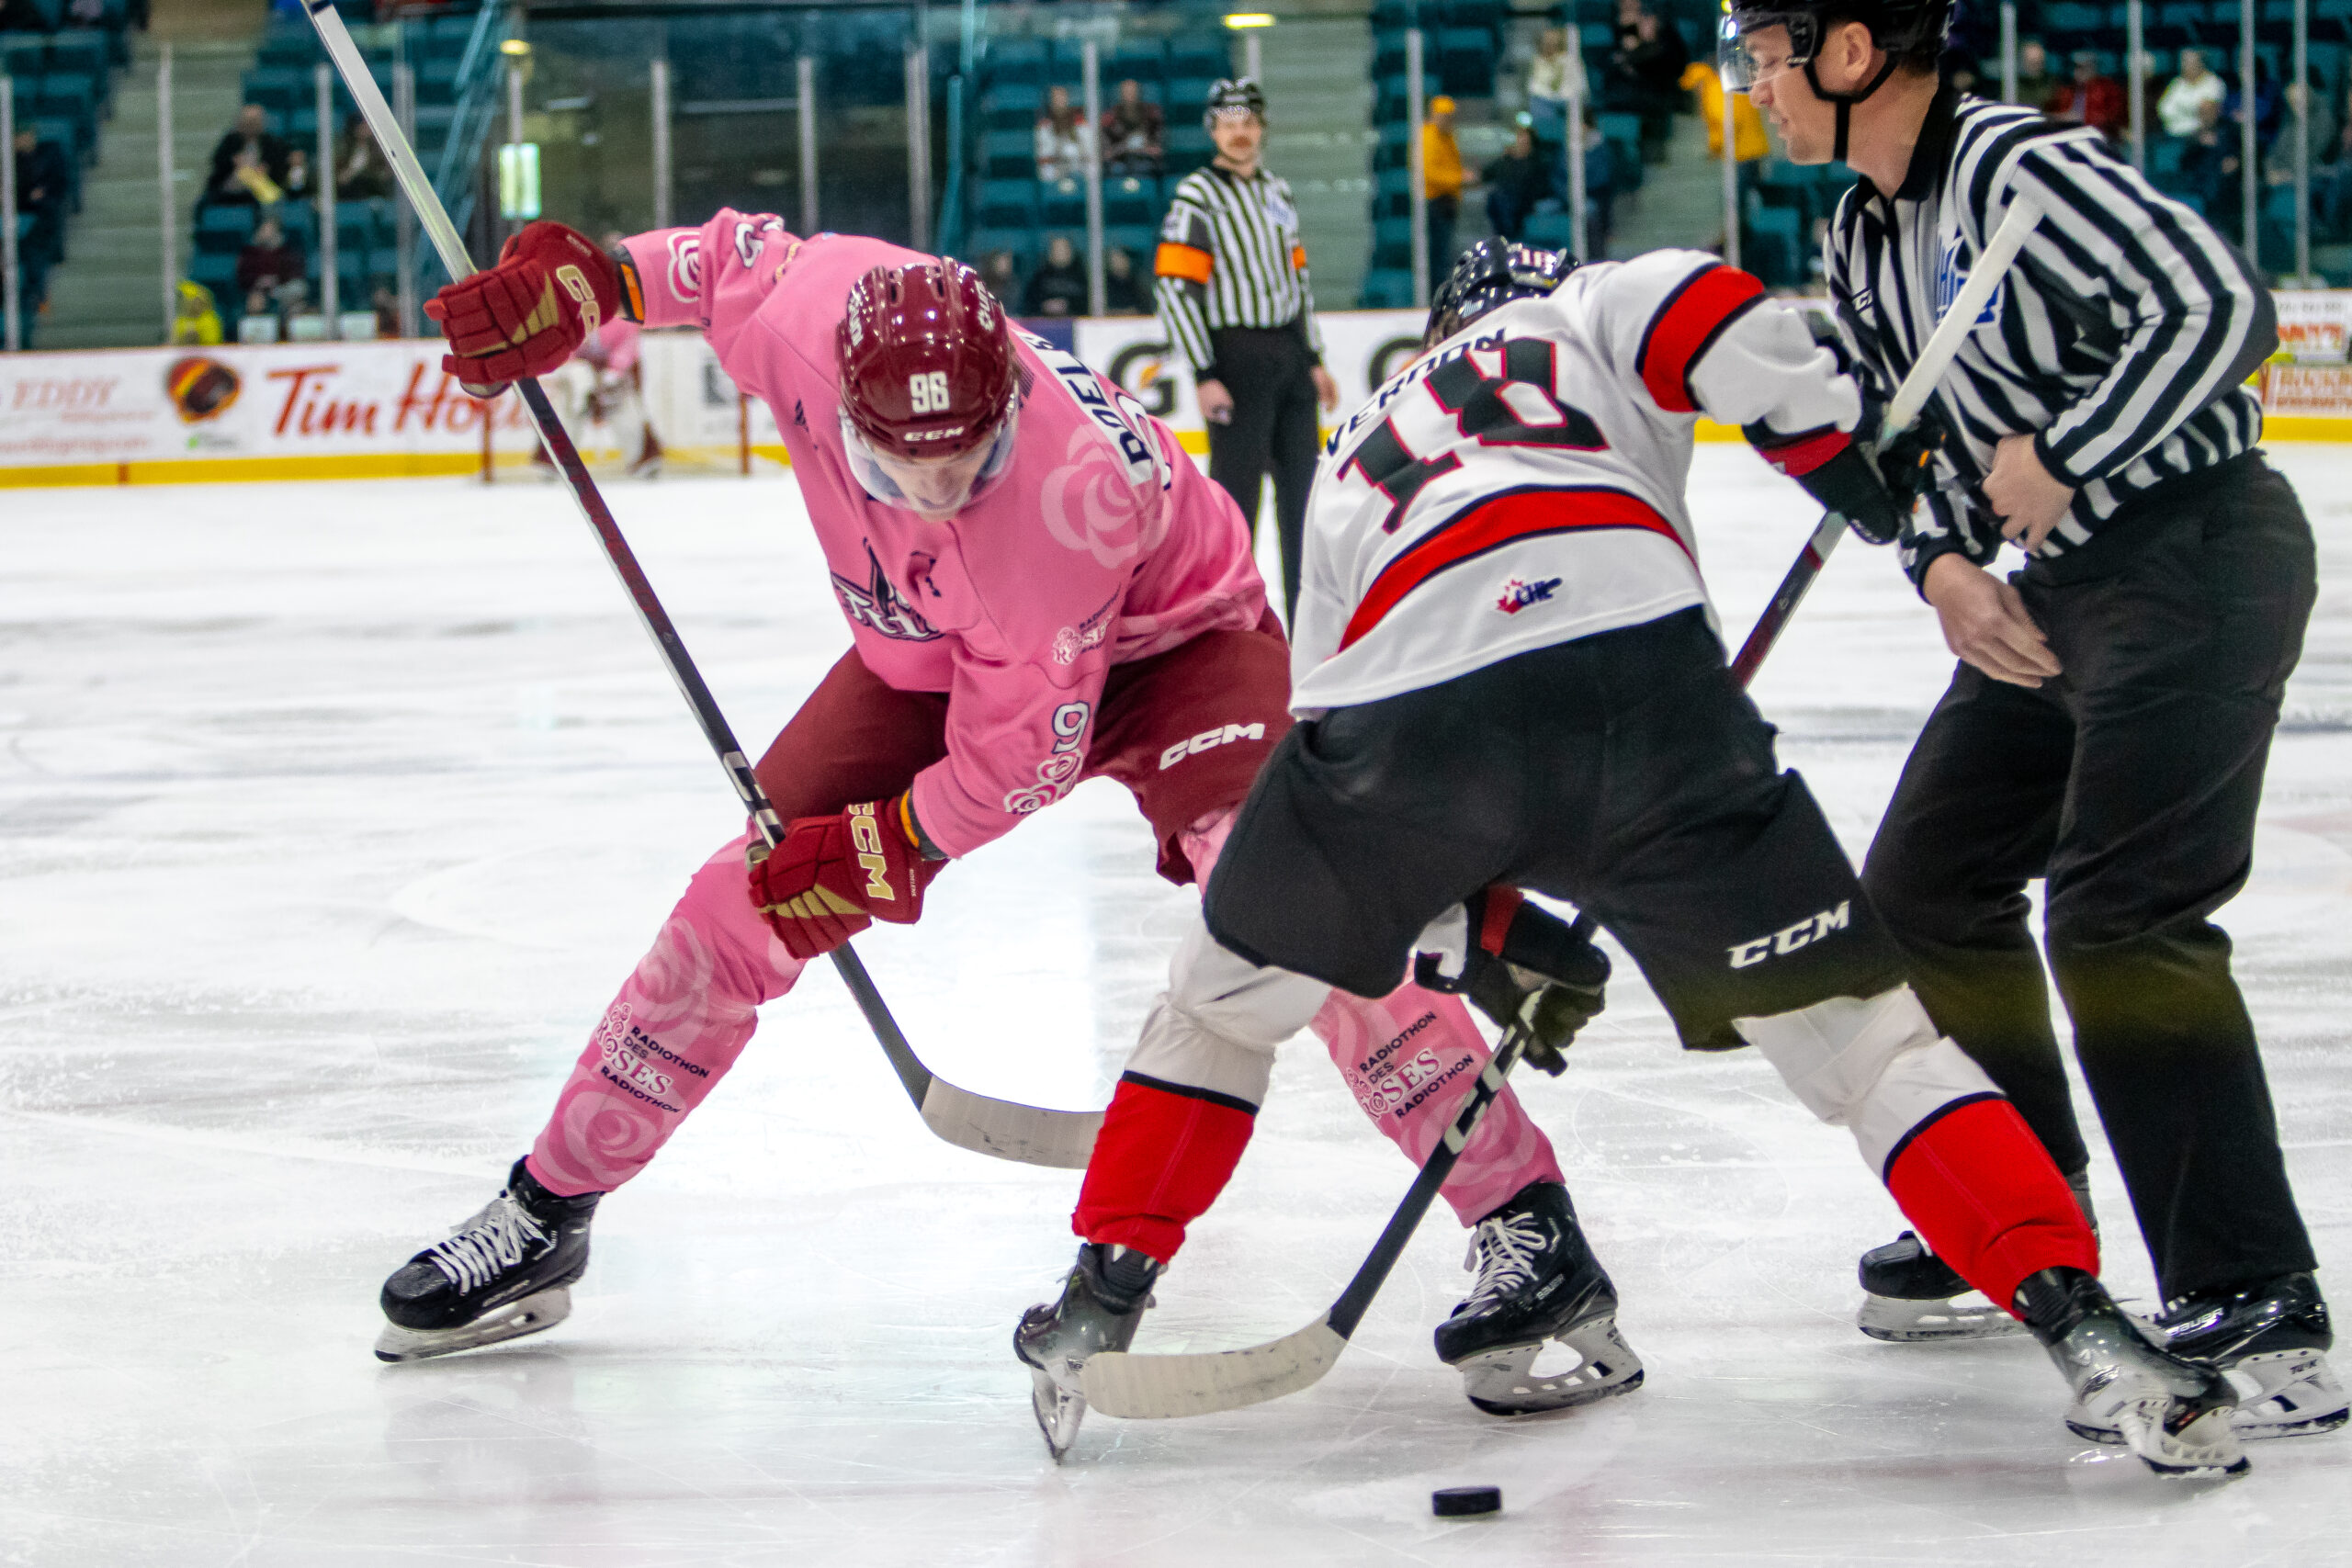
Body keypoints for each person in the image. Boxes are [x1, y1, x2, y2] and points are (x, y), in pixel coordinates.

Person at [1015, 237, 2253, 1481]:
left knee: (1218, 1002)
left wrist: (1474, 928)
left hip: (1407, 722)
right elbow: (1714, 314)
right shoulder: (1585, 305)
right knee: (1868, 1044)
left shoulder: (1354, 444)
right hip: (1646, 689)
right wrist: (1849, 459)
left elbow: (1339, 730)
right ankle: (2090, 1331)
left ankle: (1099, 1296)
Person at [373, 221, 1576, 1442]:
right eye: (904, 469)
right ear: (842, 399)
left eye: (971, 456)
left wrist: (876, 853)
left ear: (1006, 386)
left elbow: (1019, 760)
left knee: (1287, 911)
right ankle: (545, 1208)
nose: (940, 490)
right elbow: (708, 265)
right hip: (939, 657)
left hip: (1180, 648)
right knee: (734, 905)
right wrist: (596, 282)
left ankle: (1528, 1222)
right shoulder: (812, 312)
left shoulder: (1058, 503)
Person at [1732, 0, 2343, 1443]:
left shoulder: (2025, 172)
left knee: (2124, 916)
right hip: (2059, 590)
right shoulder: (1863, 233)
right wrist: (1941, 561)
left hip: (2199, 554)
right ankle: (2025, 1205)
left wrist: (2066, 454)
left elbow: (2218, 309)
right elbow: (1918, 439)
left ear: (1855, 49)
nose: (1752, 84)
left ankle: (2261, 1295)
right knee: (1927, 890)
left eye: (1767, 54)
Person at [1155, 78, 1340, 622]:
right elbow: (1173, 287)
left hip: (1288, 353)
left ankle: (1312, 620)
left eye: (1249, 122)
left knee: (1302, 496)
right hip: (1234, 357)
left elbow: (1297, 280)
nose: (1241, 132)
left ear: (1262, 128)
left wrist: (1314, 357)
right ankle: (1235, 622)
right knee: (1236, 500)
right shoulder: (1197, 195)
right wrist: (1204, 370)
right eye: (1229, 122)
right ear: (1213, 129)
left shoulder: (1277, 193)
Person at [1606, 0, 1690, 162]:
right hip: (1633, 91)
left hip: (1659, 88)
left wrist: (1639, 49)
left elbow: (1672, 63)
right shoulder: (1623, 28)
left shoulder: (1664, 32)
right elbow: (1620, 62)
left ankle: (1652, 149)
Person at [204, 104, 290, 208]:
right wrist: (234, 164)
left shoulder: (272, 143)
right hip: (231, 187)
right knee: (204, 201)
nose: (250, 126)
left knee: (273, 201)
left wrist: (265, 169)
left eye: (254, 122)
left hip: (261, 189)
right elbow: (218, 163)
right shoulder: (230, 141)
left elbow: (279, 166)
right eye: (247, 122)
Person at [1420, 95, 1471, 271]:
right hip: (1435, 203)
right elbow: (1429, 174)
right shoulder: (1428, 137)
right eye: (1444, 116)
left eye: (1450, 116)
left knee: (1444, 255)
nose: (1448, 120)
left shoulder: (1448, 137)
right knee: (1437, 257)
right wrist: (1459, 179)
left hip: (1447, 202)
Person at [1482, 124, 1551, 241]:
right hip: (1504, 201)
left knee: (1507, 201)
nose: (1522, 144)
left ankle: (1508, 237)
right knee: (1495, 197)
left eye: (1526, 141)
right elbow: (1486, 174)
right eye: (1520, 140)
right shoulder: (1506, 161)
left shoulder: (1536, 163)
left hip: (1524, 200)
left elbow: (1538, 187)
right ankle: (1502, 238)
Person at [2047, 51, 2125, 142]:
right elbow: (2051, 115)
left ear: (2093, 68)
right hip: (2069, 139)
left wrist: (2081, 119)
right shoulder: (2067, 91)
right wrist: (2060, 118)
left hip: (2099, 139)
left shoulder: (2108, 90)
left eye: (2083, 68)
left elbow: (2112, 120)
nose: (2078, 72)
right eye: (2076, 67)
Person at [2159, 48, 2225, 141]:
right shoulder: (2177, 83)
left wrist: (2203, 133)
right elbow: (2163, 107)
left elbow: (2210, 113)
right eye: (2183, 62)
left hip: (2196, 138)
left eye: (2189, 62)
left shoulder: (2212, 83)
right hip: (2170, 135)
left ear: (2201, 64)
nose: (2184, 66)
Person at [1526, 24, 1576, 147]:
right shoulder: (1535, 62)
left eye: (1554, 43)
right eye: (1547, 42)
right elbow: (1535, 90)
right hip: (1543, 119)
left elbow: (1573, 92)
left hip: (1566, 117)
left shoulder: (1570, 62)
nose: (1550, 46)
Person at [1102, 78, 1163, 175]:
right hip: (1119, 164)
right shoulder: (1110, 117)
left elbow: (1160, 148)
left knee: (1145, 168)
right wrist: (1124, 147)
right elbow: (1106, 154)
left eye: (1133, 91)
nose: (1130, 95)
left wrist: (1145, 148)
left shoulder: (1152, 114)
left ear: (1139, 92)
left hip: (1147, 163)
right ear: (1120, 93)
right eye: (1126, 92)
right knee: (1118, 169)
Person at [235, 214, 304, 300]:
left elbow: (295, 273)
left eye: (270, 229)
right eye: (264, 229)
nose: (267, 233)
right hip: (255, 291)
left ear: (277, 231)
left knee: (298, 288)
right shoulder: (249, 252)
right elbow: (242, 276)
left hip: (281, 290)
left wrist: (276, 280)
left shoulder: (288, 251)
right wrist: (259, 281)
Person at [1035, 84, 1092, 185]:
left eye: (1062, 97)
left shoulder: (1080, 123)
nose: (1059, 101)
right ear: (1051, 101)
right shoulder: (1044, 126)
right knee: (1045, 172)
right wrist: (1058, 153)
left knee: (1092, 170)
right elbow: (1041, 155)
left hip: (1077, 165)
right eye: (1055, 98)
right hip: (1055, 166)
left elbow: (1089, 151)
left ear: (1067, 99)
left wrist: (1075, 152)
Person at [335, 116, 395, 202]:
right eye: (362, 124)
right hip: (349, 194)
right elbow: (339, 178)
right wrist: (352, 171)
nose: (366, 127)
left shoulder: (379, 149)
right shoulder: (344, 148)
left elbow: (386, 174)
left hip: (373, 192)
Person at [169, 279, 224, 345]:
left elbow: (212, 346)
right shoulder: (180, 321)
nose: (182, 302)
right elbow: (174, 344)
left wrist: (196, 338)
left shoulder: (210, 320)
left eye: (186, 299)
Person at [1102, 244, 1147, 313]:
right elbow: (1103, 311)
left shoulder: (1134, 284)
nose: (1122, 262)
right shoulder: (1104, 285)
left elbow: (1142, 308)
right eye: (1117, 259)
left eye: (1124, 259)